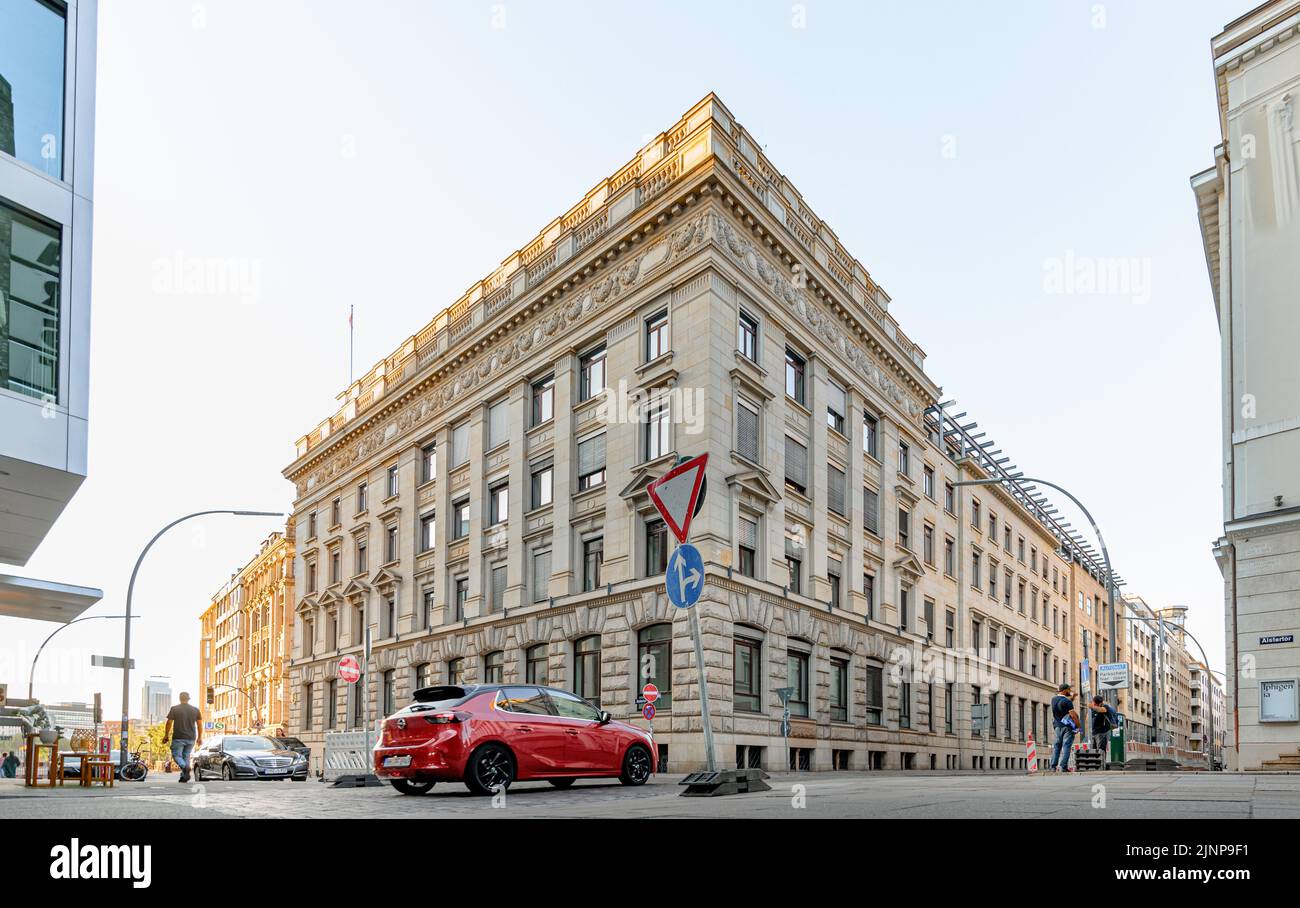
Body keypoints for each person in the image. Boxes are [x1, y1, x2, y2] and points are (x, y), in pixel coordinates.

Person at [162, 691, 203, 783]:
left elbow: (169, 722)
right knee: (186, 756)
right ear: (188, 699)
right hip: (191, 737)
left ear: (180, 699)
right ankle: (184, 777)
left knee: (176, 755)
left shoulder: (175, 709)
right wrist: (200, 737)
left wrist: (166, 735)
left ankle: (185, 767)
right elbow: (200, 725)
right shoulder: (195, 710)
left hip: (178, 737)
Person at [1050, 682, 1081, 773]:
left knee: (1057, 747)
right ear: (1064, 691)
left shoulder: (1054, 699)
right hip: (1067, 727)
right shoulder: (1067, 702)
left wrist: (1073, 697)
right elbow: (1073, 716)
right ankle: (1063, 767)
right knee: (1066, 746)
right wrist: (1078, 727)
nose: (1070, 691)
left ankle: (1053, 767)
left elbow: (1062, 703)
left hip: (1057, 727)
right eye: (1068, 690)